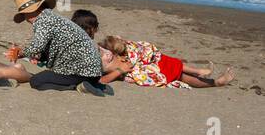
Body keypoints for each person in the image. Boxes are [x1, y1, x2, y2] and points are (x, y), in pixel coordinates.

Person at [6, 0, 108, 95]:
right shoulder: (52, 18)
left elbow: (36, 47)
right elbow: (47, 51)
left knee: (36, 81)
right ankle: (93, 84)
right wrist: (26, 53)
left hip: (80, 72)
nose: (26, 20)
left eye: (24, 16)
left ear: (30, 12)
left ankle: (78, 87)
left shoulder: (44, 20)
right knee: (46, 76)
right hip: (93, 71)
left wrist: (21, 52)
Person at [98, 35, 233, 89]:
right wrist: (119, 71)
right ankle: (215, 82)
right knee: (182, 76)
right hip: (148, 72)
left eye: (104, 51)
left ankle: (202, 73)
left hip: (149, 65)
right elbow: (102, 81)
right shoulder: (104, 67)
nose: (106, 54)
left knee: (175, 65)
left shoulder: (115, 54)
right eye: (103, 55)